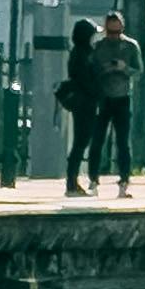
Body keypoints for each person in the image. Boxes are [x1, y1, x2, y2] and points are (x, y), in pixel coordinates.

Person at [84, 11, 141, 193]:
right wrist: (104, 70)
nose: (114, 36)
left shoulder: (130, 46)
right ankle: (93, 179)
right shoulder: (99, 47)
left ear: (122, 29)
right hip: (103, 98)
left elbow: (139, 71)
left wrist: (125, 68)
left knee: (123, 142)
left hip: (122, 97)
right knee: (97, 140)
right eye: (111, 32)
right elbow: (90, 71)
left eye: (117, 32)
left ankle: (124, 180)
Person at [60, 17, 102, 196]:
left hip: (85, 102)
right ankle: (71, 182)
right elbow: (85, 80)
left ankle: (72, 181)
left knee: (81, 141)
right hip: (84, 102)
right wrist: (97, 92)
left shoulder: (82, 52)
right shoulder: (81, 55)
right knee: (80, 142)